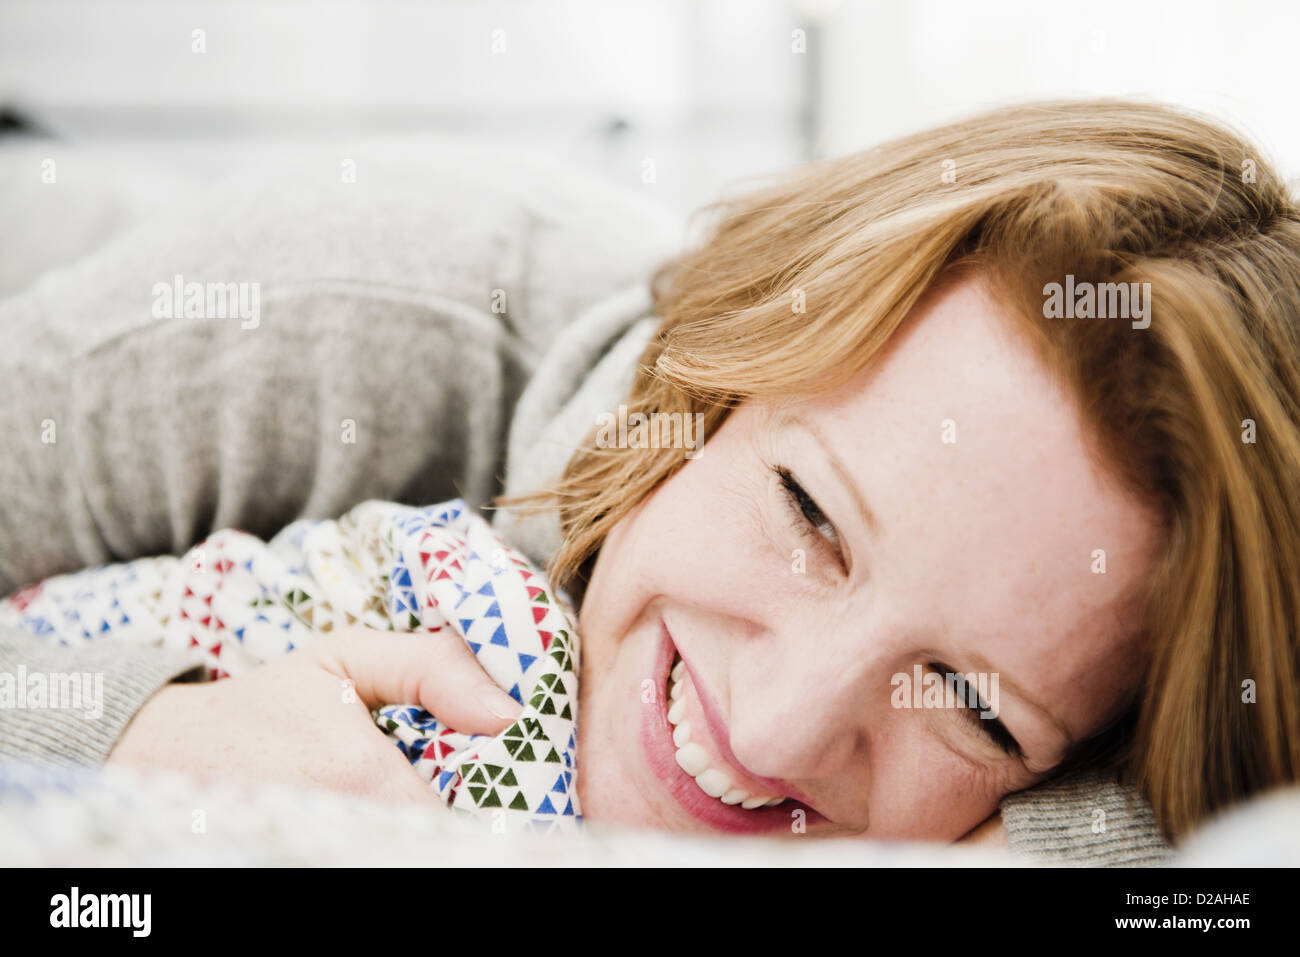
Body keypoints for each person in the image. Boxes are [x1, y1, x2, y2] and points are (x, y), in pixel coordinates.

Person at [3, 100, 1296, 863]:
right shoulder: (364, 314)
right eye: (808, 515)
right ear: (710, 379)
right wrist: (126, 728)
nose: (782, 724)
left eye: (975, 708)